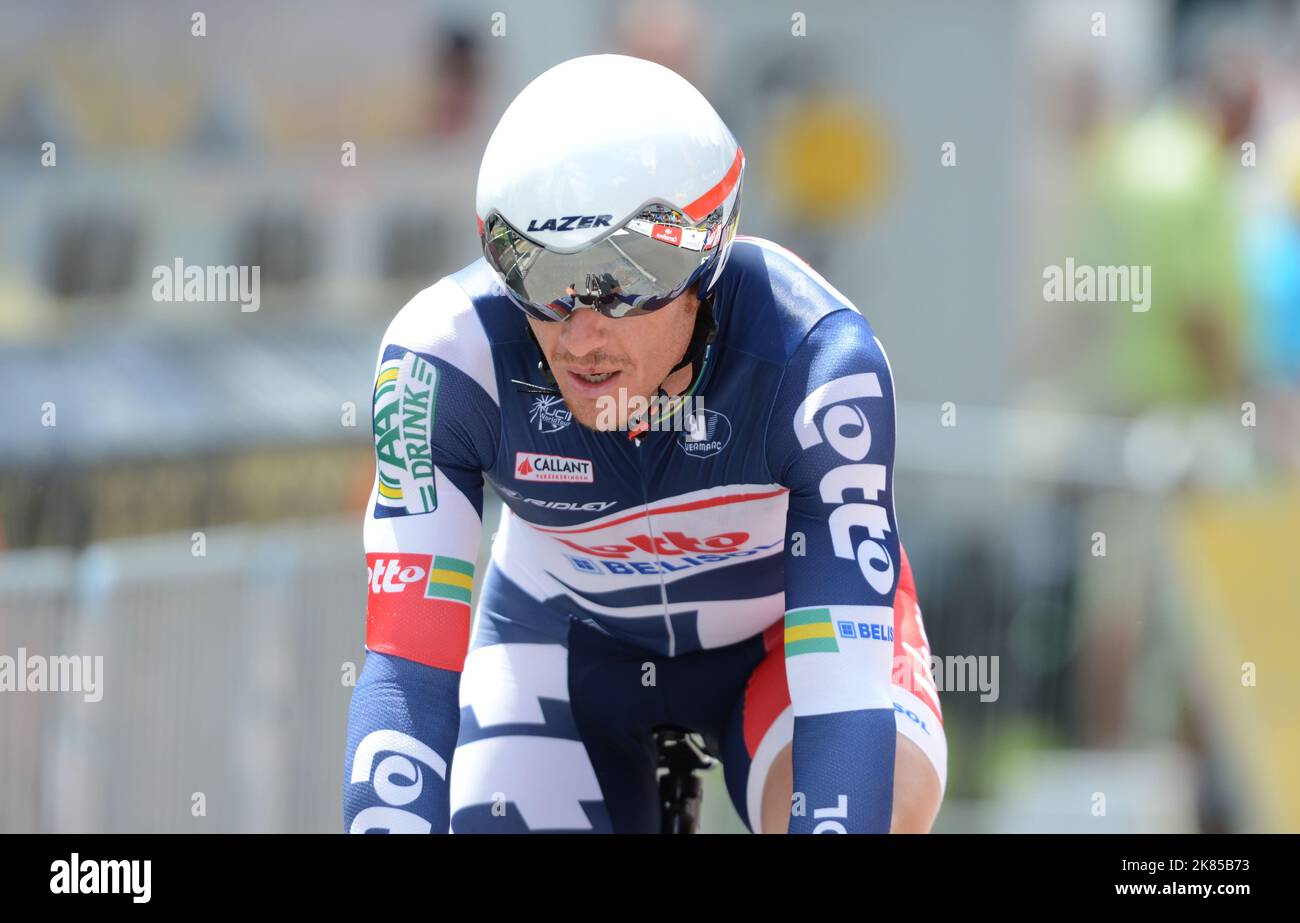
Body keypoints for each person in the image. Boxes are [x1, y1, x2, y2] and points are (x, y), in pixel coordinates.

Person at [344, 54, 945, 834]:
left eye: (620, 279)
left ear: (707, 260)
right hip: (562, 640)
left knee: (885, 802)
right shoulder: (443, 361)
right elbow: (408, 674)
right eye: (537, 274)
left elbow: (844, 696)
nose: (581, 332)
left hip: (780, 644)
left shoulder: (818, 363)